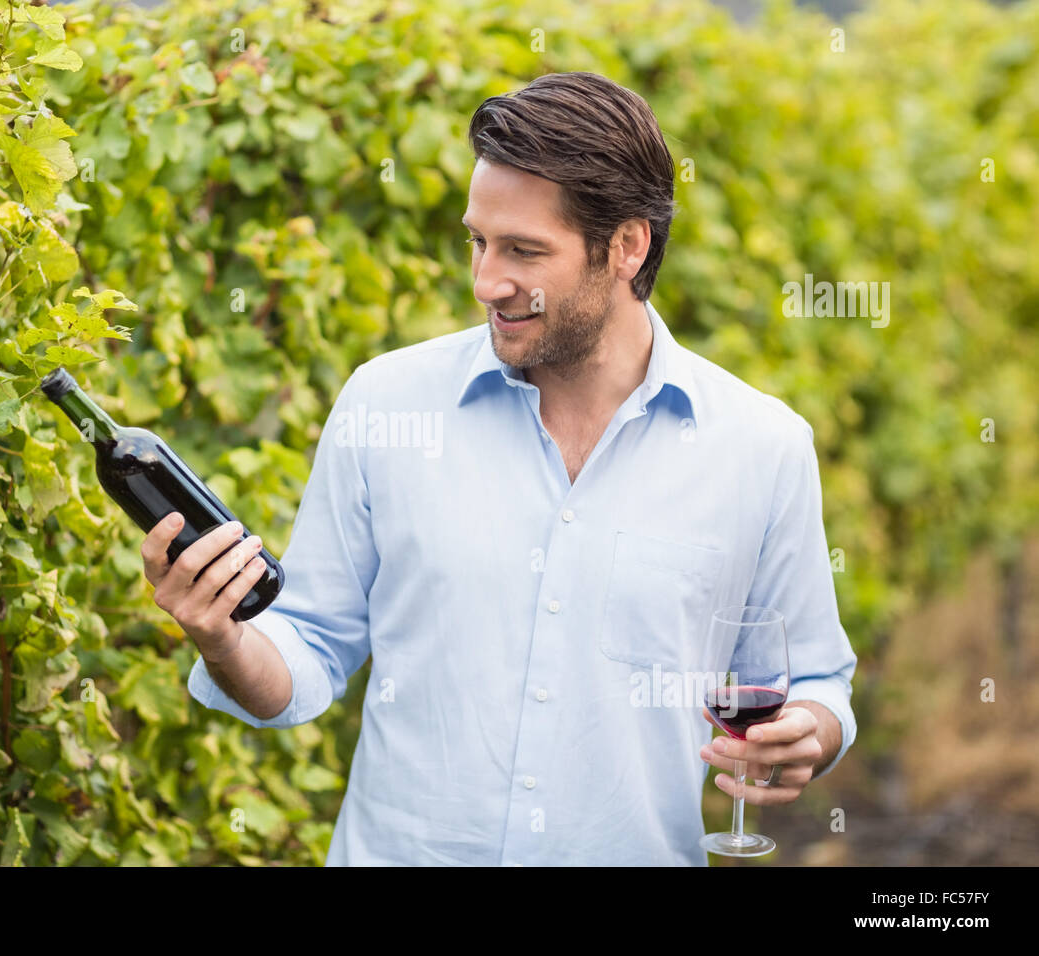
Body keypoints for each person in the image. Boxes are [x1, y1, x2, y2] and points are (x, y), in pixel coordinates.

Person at [139, 71, 857, 865]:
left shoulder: (761, 446)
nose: (486, 282)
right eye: (478, 241)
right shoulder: (386, 403)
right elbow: (307, 646)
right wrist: (223, 639)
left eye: (524, 250)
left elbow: (815, 680)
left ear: (626, 246)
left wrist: (808, 734)